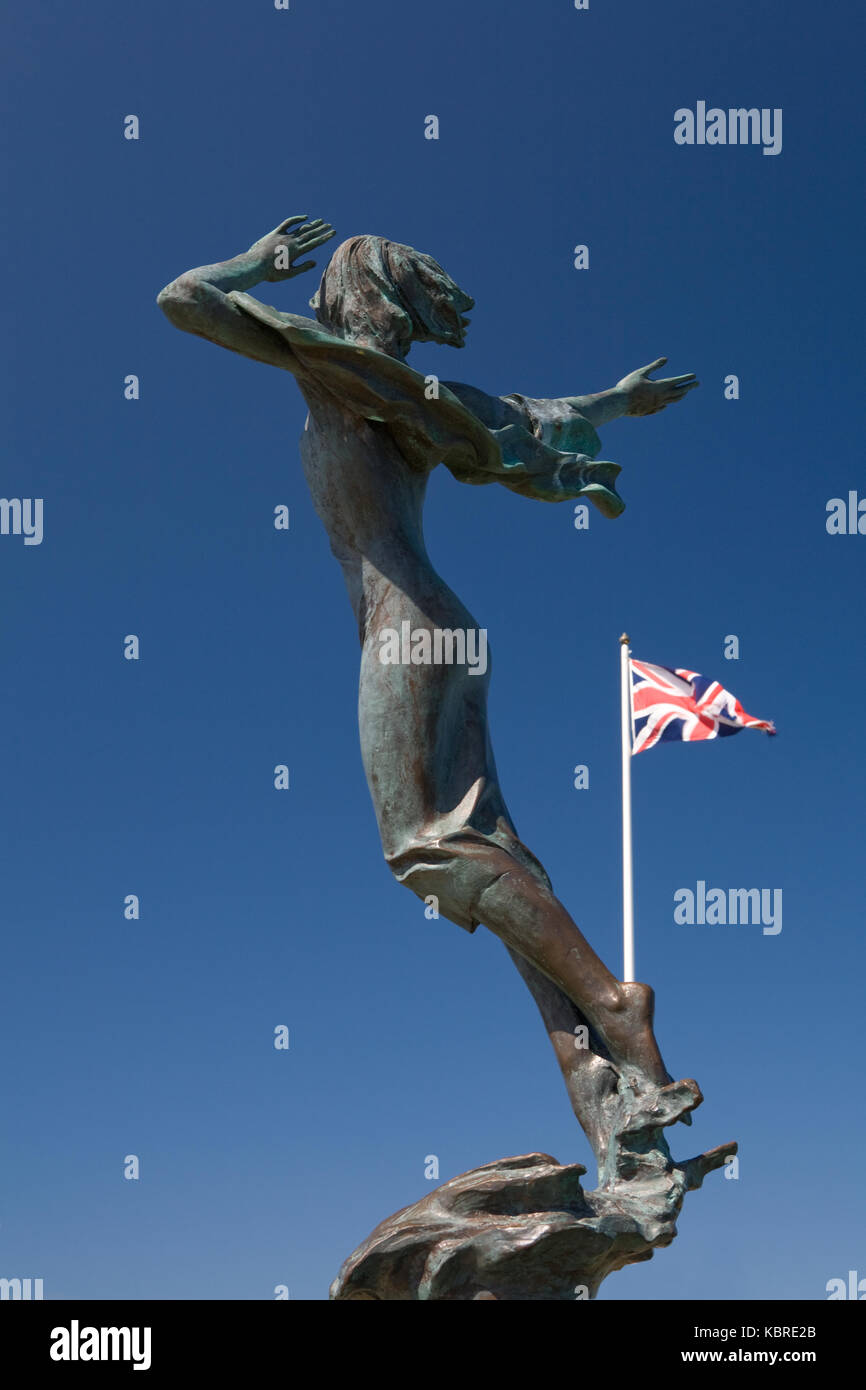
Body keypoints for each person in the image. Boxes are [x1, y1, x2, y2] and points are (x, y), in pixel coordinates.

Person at [158, 216, 700, 1160]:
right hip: (439, 627)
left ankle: (617, 1004)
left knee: (423, 845)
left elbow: (184, 301)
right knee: (489, 851)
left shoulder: (333, 373)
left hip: (408, 625)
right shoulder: (412, 395)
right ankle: (604, 1090)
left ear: (346, 292)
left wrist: (253, 263)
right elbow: (527, 418)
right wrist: (612, 405)